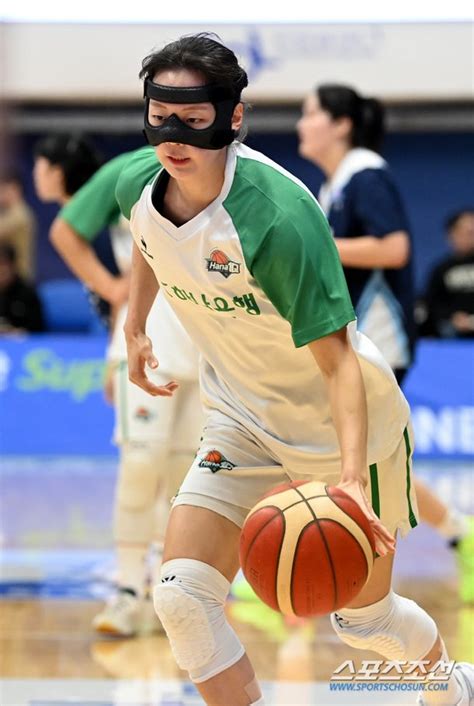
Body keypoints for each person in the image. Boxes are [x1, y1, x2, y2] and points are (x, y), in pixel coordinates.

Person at [116, 33, 472, 706]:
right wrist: (136, 327)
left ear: (233, 118)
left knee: (365, 623)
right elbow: (148, 238)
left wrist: (350, 478)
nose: (174, 136)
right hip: (240, 417)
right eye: (161, 117)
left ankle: (451, 690)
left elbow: (339, 366)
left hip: (340, 428)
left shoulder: (278, 216)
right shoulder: (142, 180)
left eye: (193, 120)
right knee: (182, 598)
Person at [296, 84, 473, 589]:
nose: (301, 124)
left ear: (342, 125)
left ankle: (316, 566)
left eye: (311, 113)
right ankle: (460, 532)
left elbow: (394, 248)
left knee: (355, 456)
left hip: (378, 338)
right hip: (348, 336)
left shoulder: (366, 175)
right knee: (359, 454)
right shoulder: (335, 185)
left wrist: (314, 245)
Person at [34, 136, 203, 636]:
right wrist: (112, 295)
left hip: (209, 351)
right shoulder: (135, 169)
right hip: (149, 345)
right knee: (140, 466)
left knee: (188, 482)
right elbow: (66, 231)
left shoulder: (235, 177)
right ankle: (128, 591)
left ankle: (174, 592)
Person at [420, 209, 474, 338]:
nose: (471, 237)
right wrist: (452, 317)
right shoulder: (442, 269)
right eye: (467, 232)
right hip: (452, 336)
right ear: (451, 234)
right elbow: (431, 304)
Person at [0, 168, 37, 281]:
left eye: (3, 189)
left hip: (17, 277)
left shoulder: (20, 214)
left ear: (15, 189)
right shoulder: (9, 212)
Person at [0, 242, 44, 333]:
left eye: (3, 265)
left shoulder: (27, 293)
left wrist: (16, 332)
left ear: (13, 266)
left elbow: (38, 328)